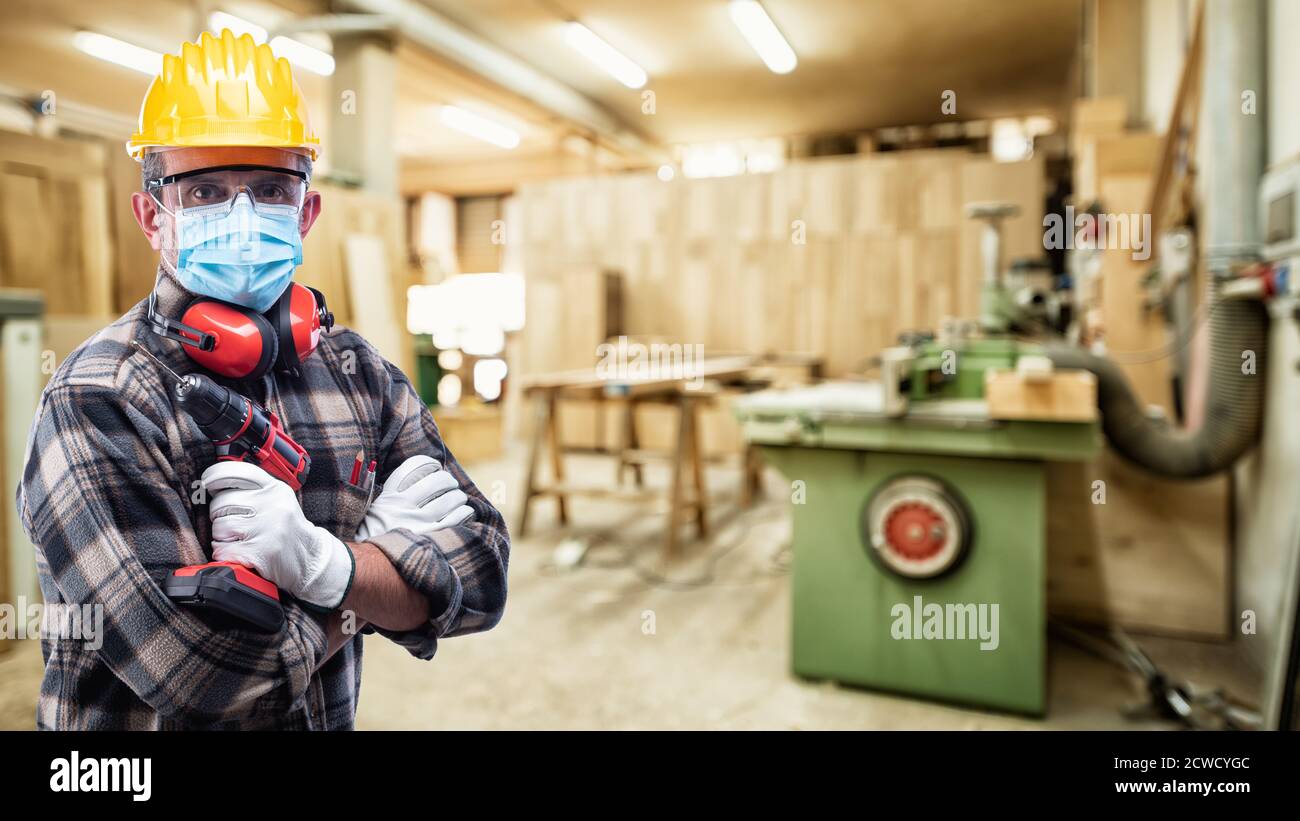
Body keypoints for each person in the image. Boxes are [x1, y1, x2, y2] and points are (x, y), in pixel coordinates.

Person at [17, 29, 509, 730]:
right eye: (208, 191)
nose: (242, 218)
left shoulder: (358, 372)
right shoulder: (98, 398)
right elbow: (203, 675)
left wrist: (326, 564)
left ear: (307, 212)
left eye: (271, 188)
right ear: (152, 215)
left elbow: (483, 573)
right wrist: (363, 574)